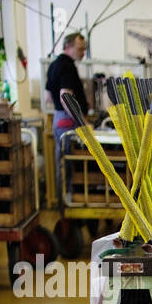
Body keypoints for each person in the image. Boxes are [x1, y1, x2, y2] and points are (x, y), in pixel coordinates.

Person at [46, 33, 87, 194]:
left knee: (63, 161)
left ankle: (64, 202)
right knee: (68, 164)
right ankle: (68, 202)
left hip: (59, 117)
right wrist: (83, 121)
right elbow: (66, 97)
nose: (83, 52)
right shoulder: (67, 66)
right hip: (68, 121)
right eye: (80, 49)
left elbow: (48, 96)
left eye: (84, 49)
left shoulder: (54, 65)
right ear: (68, 46)